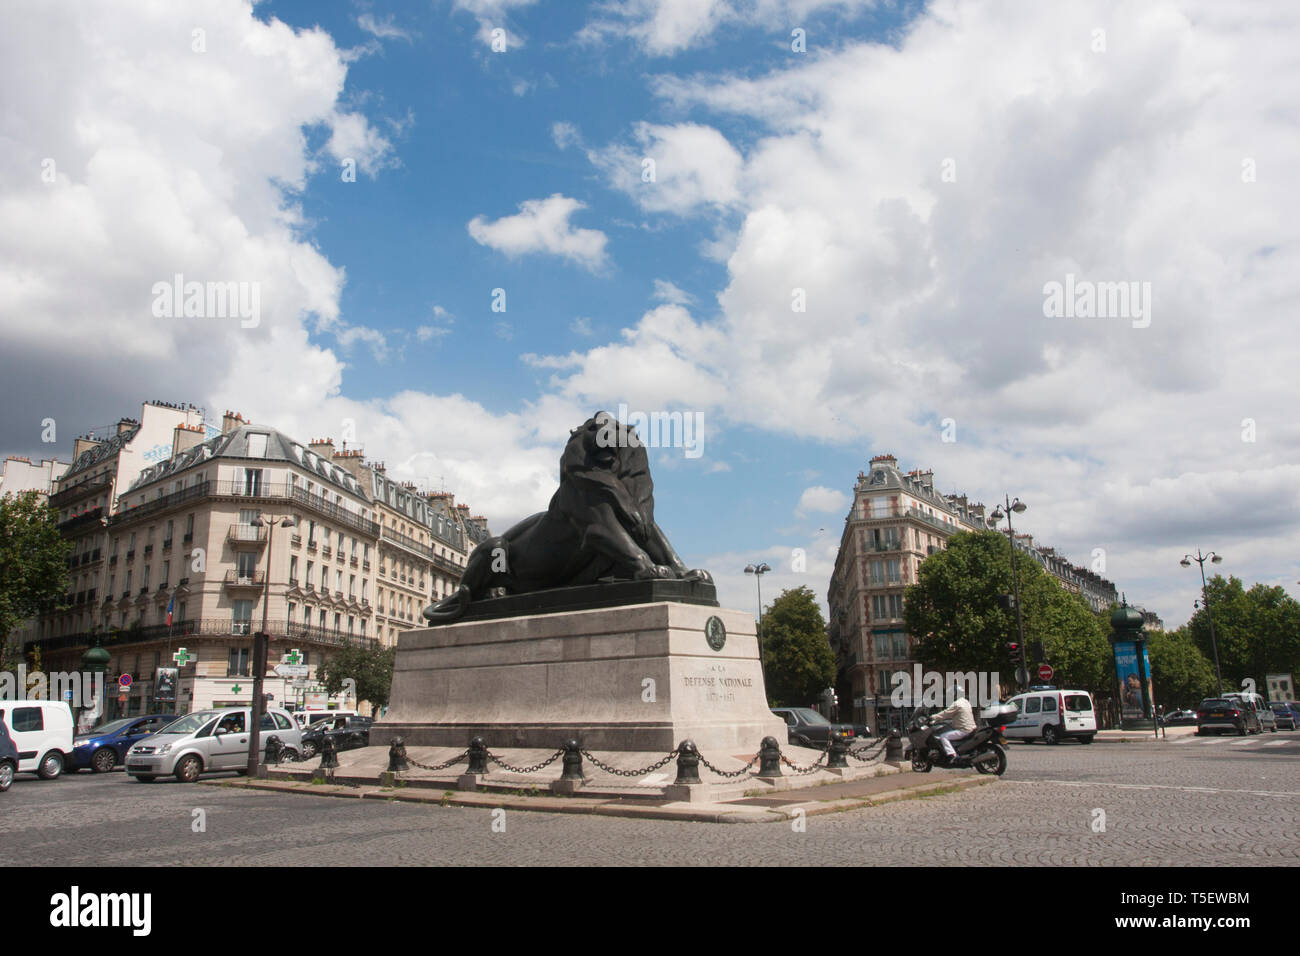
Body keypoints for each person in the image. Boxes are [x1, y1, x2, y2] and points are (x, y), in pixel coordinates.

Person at [929, 686, 976, 763]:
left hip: (964, 730)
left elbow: (946, 713)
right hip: (971, 728)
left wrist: (933, 717)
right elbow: (958, 716)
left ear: (955, 694)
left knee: (943, 736)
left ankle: (953, 755)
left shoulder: (957, 704)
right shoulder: (966, 702)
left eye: (951, 694)